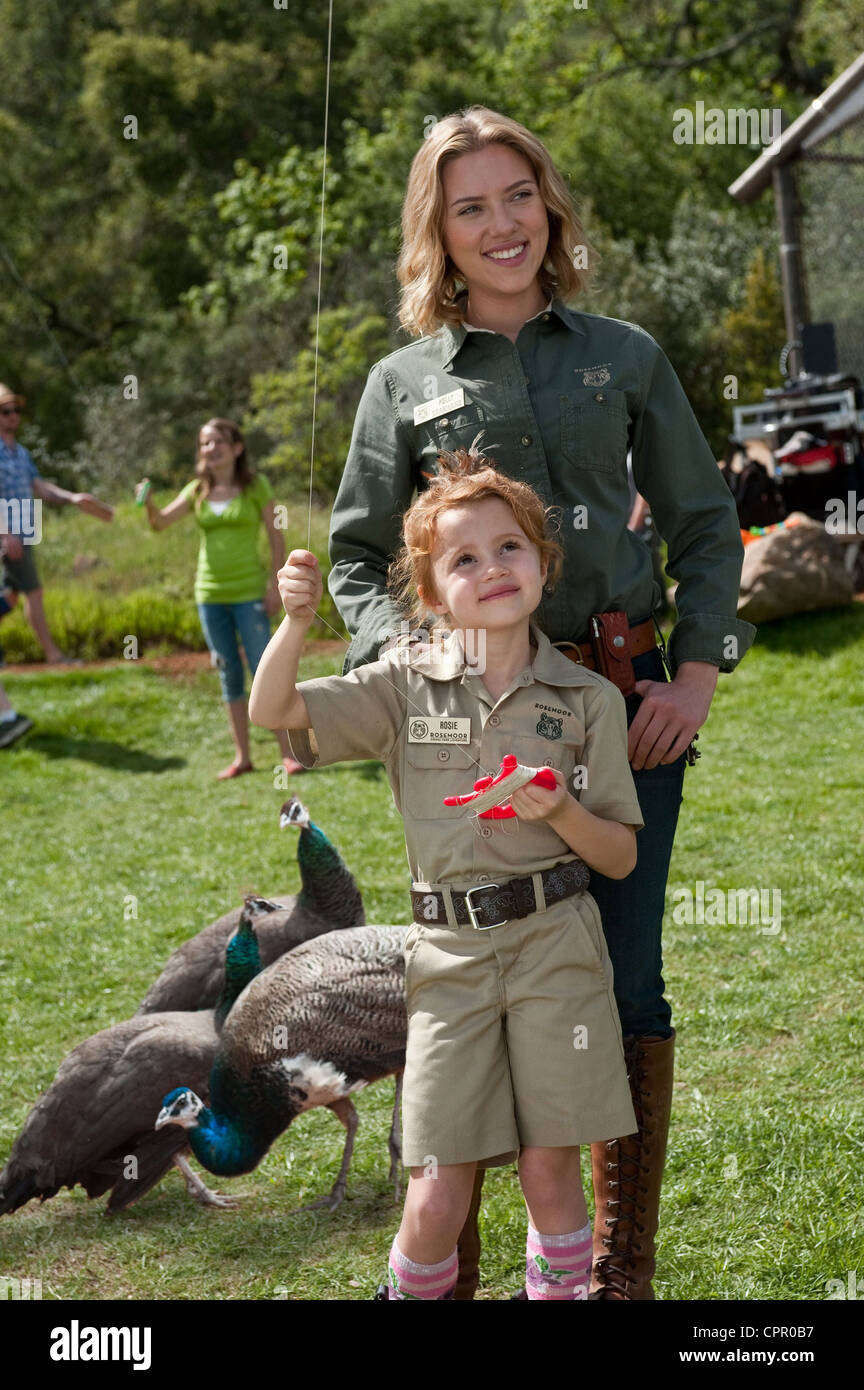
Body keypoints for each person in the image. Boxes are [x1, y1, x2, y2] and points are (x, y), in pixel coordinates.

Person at [325, 107, 756, 1299]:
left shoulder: (628, 353)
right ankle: (449, 1263)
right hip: (462, 727)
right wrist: (417, 662)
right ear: (440, 233)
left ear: (548, 207)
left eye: (518, 196)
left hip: (620, 706)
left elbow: (707, 523)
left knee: (621, 980)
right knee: (463, 964)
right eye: (471, 207)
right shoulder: (402, 382)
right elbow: (360, 555)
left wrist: (701, 672)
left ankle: (612, 1270)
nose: (501, 224)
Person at [250, 448, 646, 1301]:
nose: (492, 569)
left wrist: (557, 812)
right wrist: (292, 623)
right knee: (434, 1192)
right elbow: (273, 713)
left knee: (551, 1175)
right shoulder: (400, 687)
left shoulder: (588, 702)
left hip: (557, 949)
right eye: (463, 558)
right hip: (448, 959)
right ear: (431, 592)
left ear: (544, 562)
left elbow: (618, 854)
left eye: (511, 548)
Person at [137, 417, 302, 780]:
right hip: (209, 595)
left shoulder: (256, 486)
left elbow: (276, 536)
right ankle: (242, 756)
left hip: (249, 595)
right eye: (204, 443)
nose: (209, 449)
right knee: (228, 673)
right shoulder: (196, 489)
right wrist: (149, 503)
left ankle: (289, 754)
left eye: (217, 442)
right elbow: (159, 523)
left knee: (265, 669)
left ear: (237, 447)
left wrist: (275, 585)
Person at [0, 381, 113, 664]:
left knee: (11, 596)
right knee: (33, 593)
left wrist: (72, 497)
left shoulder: (21, 452)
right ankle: (53, 655)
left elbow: (39, 486)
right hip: (10, 533)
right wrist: (5, 534)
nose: (13, 415)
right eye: (5, 411)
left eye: (15, 410)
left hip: (25, 530)